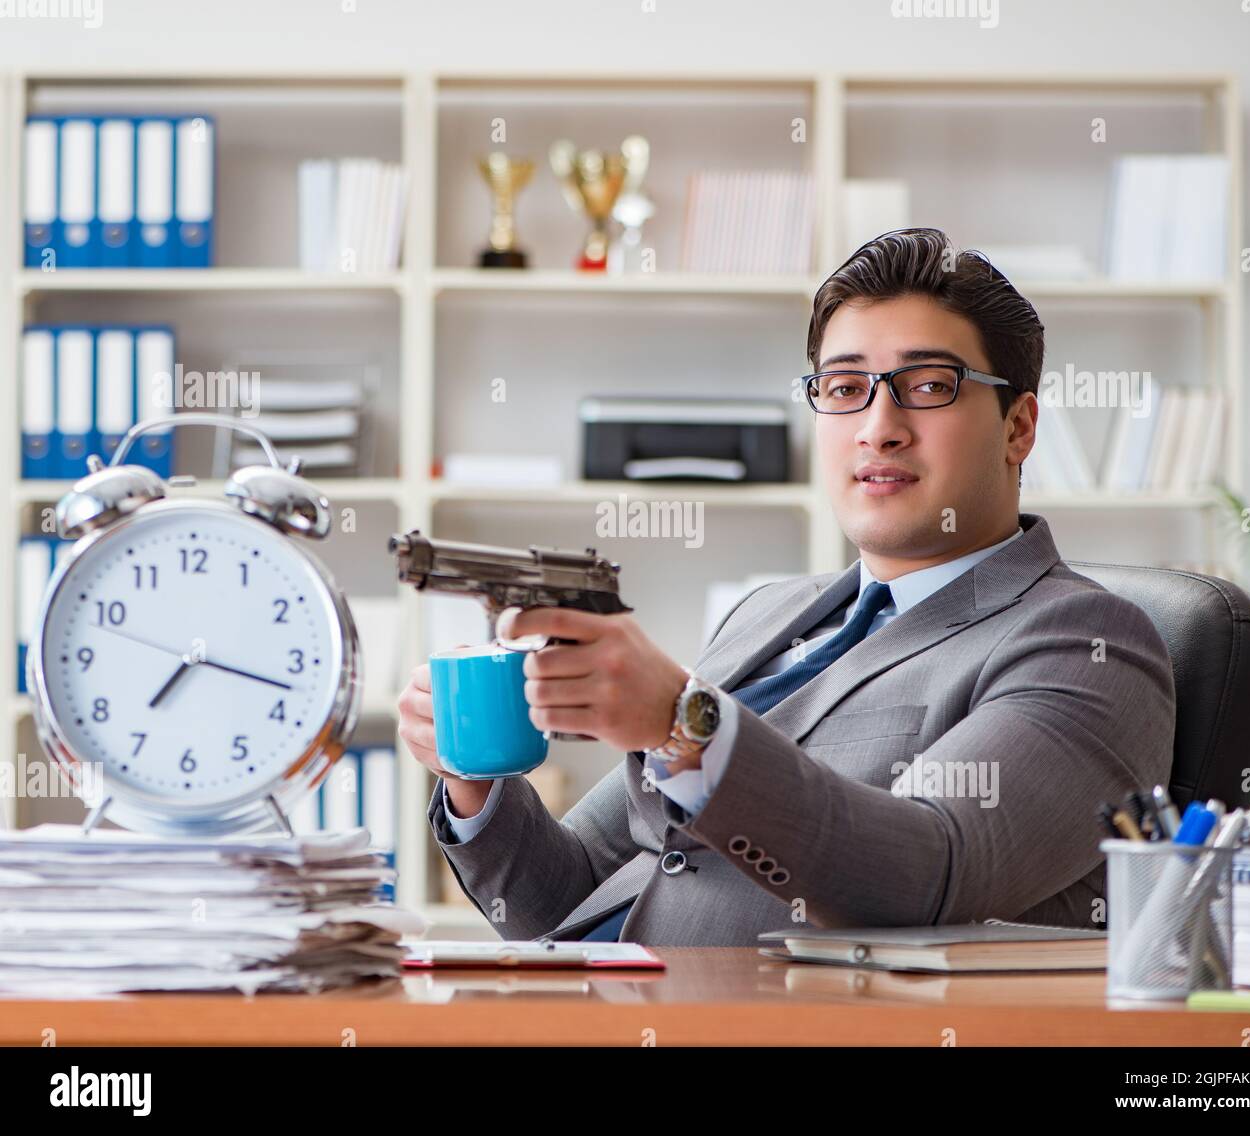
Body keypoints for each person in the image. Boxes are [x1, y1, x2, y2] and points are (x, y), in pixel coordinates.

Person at [397, 227, 1175, 946]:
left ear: (1018, 428)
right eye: (844, 389)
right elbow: (559, 905)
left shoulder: (1090, 645)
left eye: (929, 386)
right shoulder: (767, 615)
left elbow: (929, 873)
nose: (878, 426)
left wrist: (681, 723)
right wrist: (474, 778)